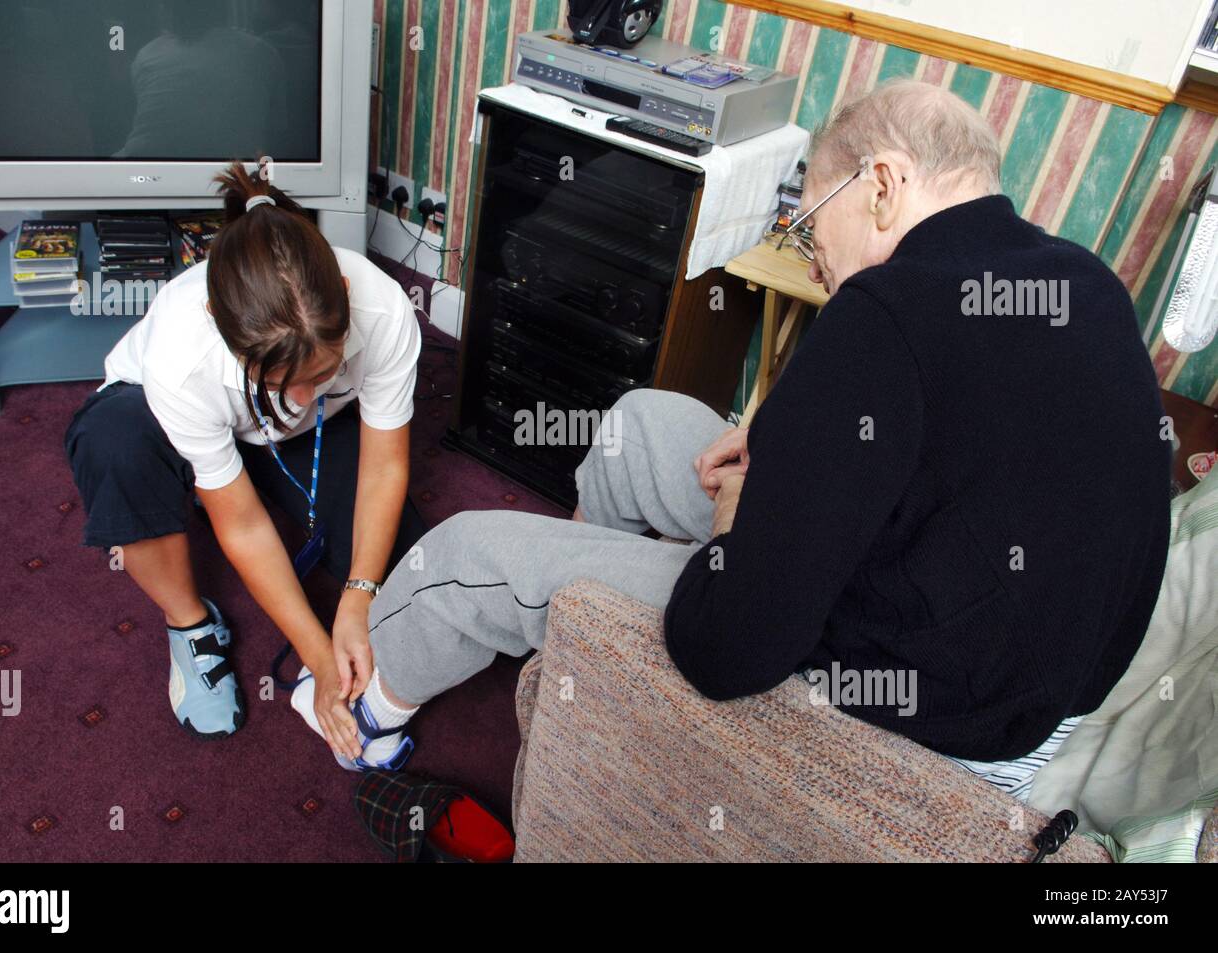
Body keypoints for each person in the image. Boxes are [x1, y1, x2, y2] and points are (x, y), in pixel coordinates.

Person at [302, 80, 1172, 799]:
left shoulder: (885, 310)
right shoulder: (1081, 280)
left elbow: (725, 653)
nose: (809, 250)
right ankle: (585, 643)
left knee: (468, 550)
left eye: (808, 216)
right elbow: (923, 422)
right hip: (1019, 680)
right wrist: (777, 435)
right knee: (637, 424)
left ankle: (362, 717)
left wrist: (744, 514)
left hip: (919, 709)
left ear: (882, 185)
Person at [64, 161, 426, 764]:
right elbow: (244, 523)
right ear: (220, 325)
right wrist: (316, 654)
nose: (305, 395)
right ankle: (188, 625)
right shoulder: (182, 355)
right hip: (161, 423)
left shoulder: (384, 311)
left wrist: (359, 596)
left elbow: (386, 465)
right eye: (285, 381)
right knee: (115, 447)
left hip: (307, 440)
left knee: (411, 571)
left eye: (325, 372)